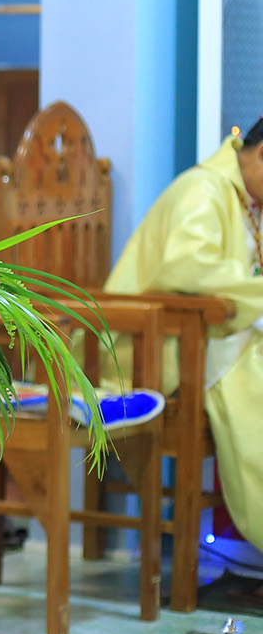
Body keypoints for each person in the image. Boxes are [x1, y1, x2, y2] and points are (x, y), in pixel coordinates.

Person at [105, 118, 263, 579]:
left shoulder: (245, 198)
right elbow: (187, 270)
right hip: (148, 344)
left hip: (203, 335)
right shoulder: (204, 189)